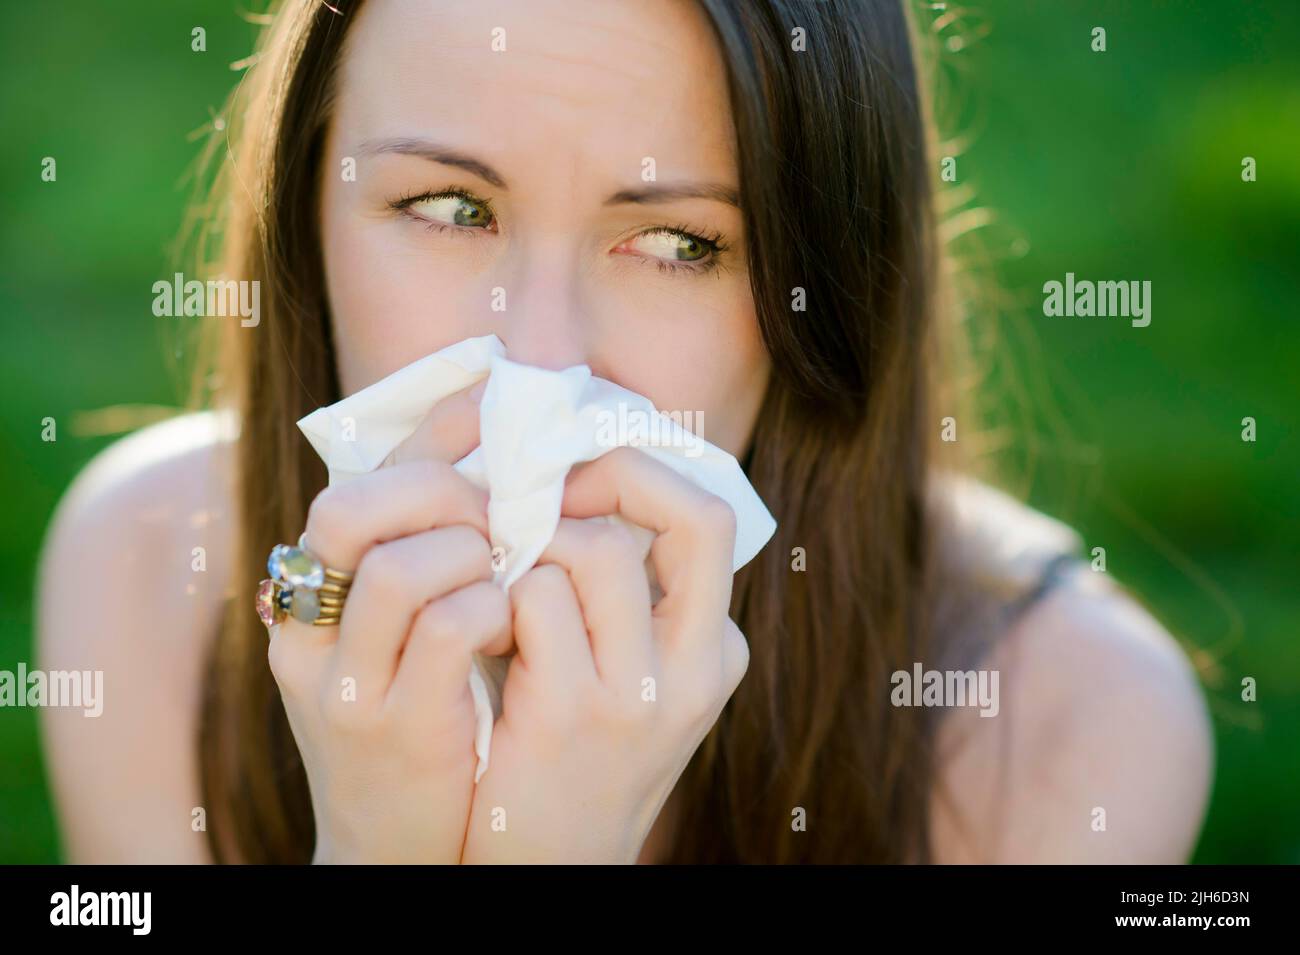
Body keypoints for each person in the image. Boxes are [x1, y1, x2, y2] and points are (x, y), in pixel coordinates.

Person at [36, 0, 1212, 864]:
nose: (541, 359)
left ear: (827, 276)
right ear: (307, 218)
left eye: (679, 243)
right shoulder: (151, 566)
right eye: (448, 209)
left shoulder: (1061, 731)